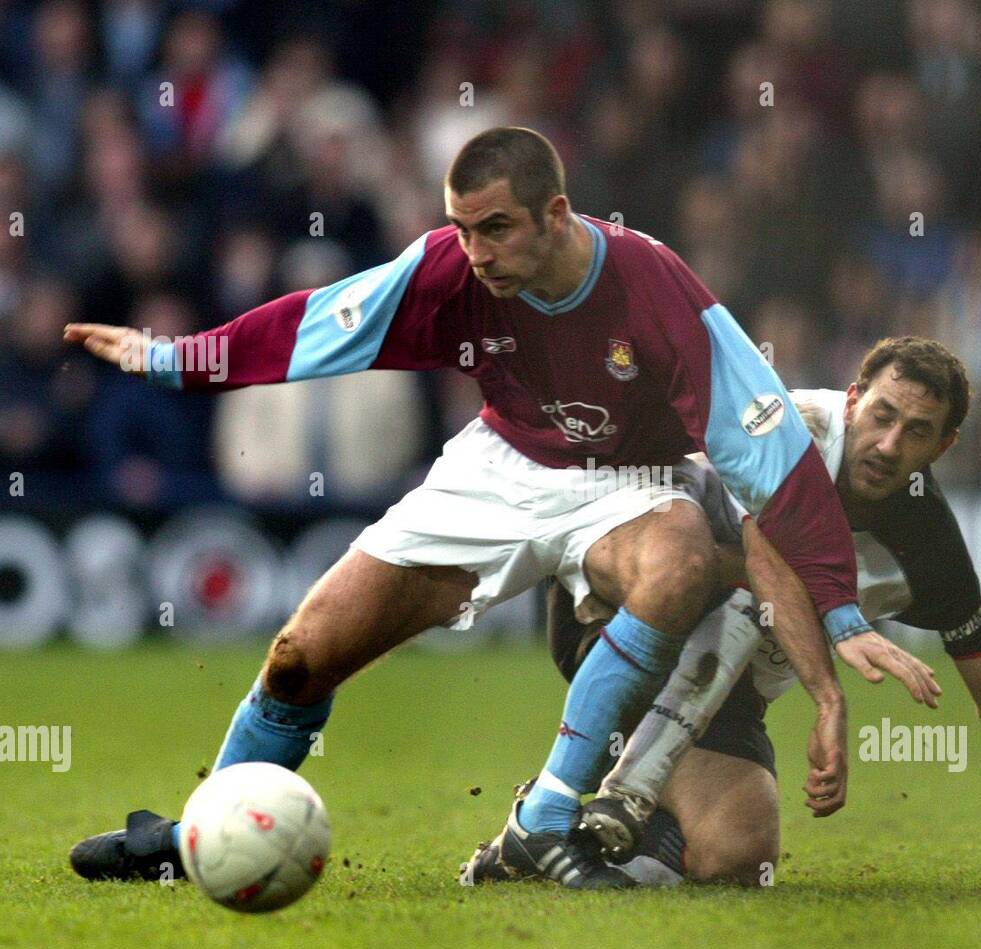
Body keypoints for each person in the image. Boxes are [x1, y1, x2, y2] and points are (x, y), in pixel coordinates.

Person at [64, 126, 936, 892]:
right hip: (496, 468)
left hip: (625, 482)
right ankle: (196, 836)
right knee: (300, 658)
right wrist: (177, 359)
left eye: (496, 227)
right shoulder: (450, 271)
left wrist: (840, 605)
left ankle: (546, 815)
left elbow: (774, 458)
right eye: (461, 228)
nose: (475, 250)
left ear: (558, 215)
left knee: (678, 560)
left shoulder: (653, 285)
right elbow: (319, 323)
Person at [468, 338, 981, 889]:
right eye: (882, 415)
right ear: (850, 401)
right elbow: (761, 559)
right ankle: (624, 791)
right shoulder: (791, 426)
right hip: (622, 619)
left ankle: (543, 836)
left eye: (917, 431)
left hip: (728, 690)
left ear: (944, 446)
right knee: (766, 572)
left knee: (741, 851)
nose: (888, 444)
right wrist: (828, 697)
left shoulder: (929, 545)